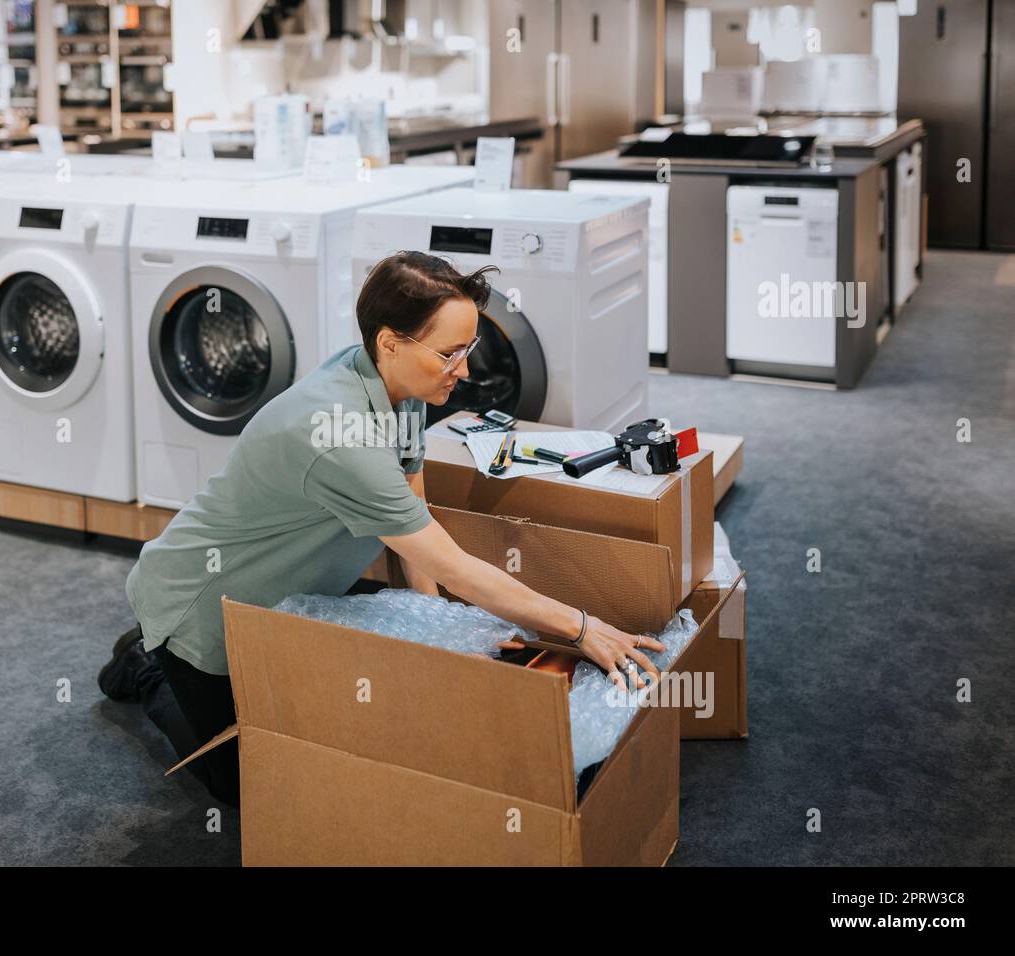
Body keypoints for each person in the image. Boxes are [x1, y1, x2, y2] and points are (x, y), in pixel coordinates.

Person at [99, 251, 664, 808]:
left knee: (330, 736)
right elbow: (453, 566)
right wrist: (580, 627)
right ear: (391, 341)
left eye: (468, 349)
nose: (464, 370)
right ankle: (146, 667)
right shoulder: (340, 434)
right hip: (199, 607)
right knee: (249, 789)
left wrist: (438, 628)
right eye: (449, 353)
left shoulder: (401, 390)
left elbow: (417, 515)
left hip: (289, 590)